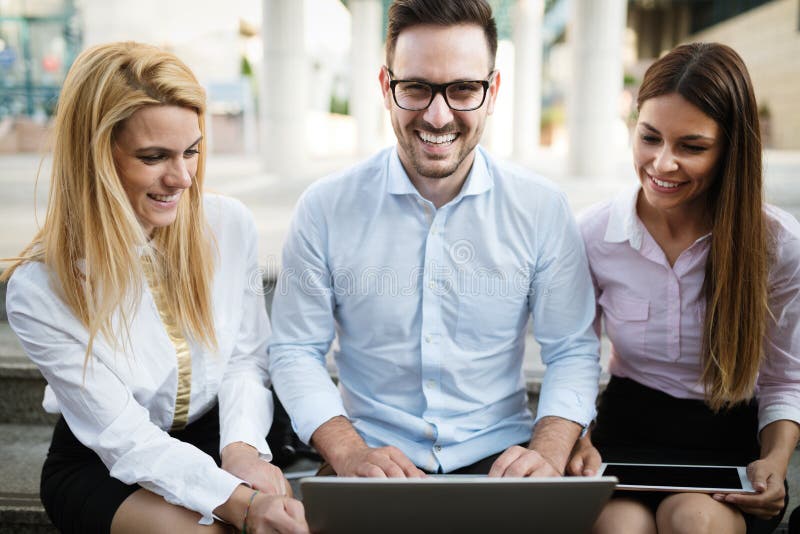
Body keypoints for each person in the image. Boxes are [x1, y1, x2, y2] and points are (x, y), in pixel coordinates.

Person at [268, 0, 600, 479]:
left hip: (503, 461)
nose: (439, 116)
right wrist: (347, 452)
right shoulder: (324, 208)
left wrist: (548, 452)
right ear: (386, 87)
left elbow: (572, 348)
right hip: (368, 458)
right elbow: (295, 349)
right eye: (417, 88)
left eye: (463, 89)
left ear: (492, 91)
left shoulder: (542, 208)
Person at [2, 42, 308, 534]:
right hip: (105, 458)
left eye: (191, 151)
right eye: (153, 156)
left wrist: (244, 450)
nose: (183, 177)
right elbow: (124, 439)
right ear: (96, 157)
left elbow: (246, 357)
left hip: (224, 434)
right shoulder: (38, 289)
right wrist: (241, 504)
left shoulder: (229, 224)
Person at [569, 42, 800, 534]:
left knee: (690, 519)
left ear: (730, 149)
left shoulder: (778, 244)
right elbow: (574, 356)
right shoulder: (591, 235)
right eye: (649, 137)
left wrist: (774, 463)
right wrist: (578, 440)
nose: (662, 163)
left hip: (729, 441)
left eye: (691, 147)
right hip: (627, 432)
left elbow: (785, 378)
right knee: (619, 529)